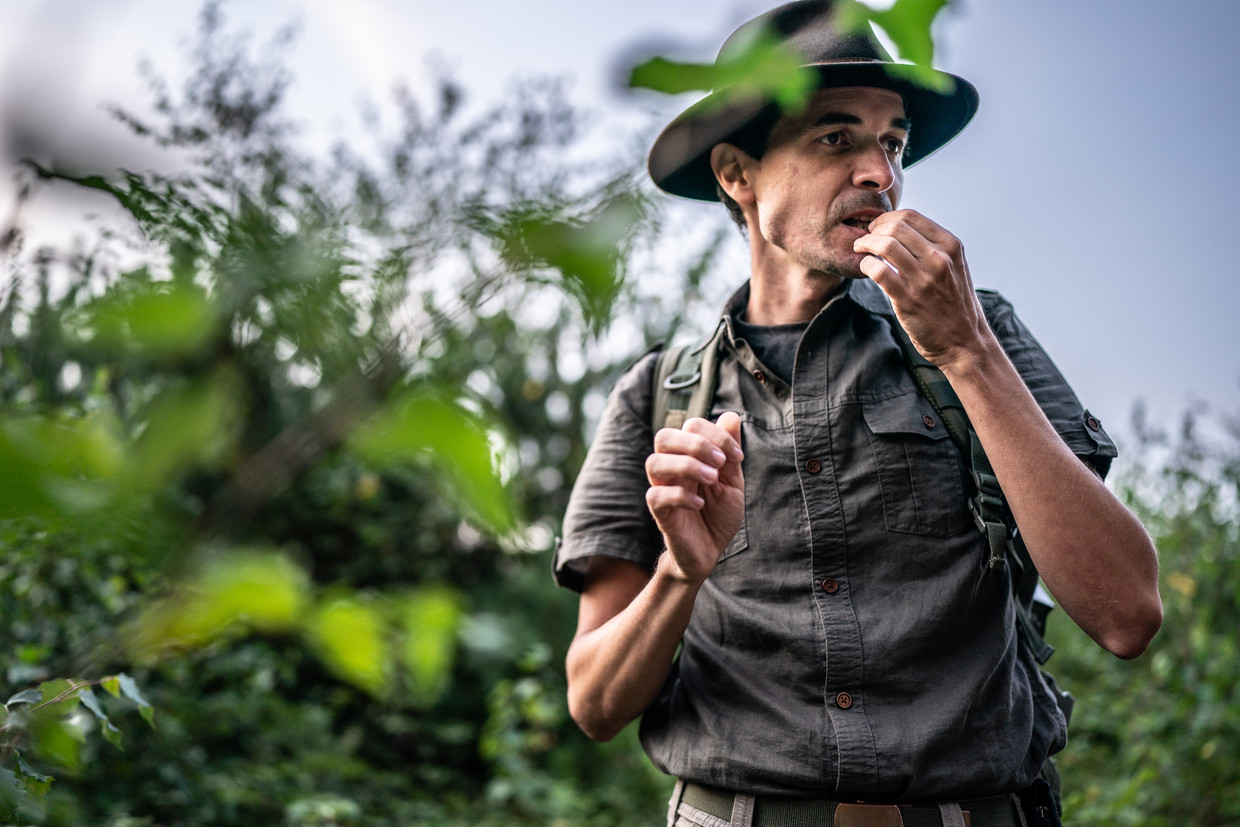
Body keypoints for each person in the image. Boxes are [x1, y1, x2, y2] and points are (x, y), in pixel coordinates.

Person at [554, 2, 1163, 825]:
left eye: (893, 143)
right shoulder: (655, 397)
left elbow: (1127, 613)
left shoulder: (981, 334)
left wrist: (967, 352)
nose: (880, 172)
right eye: (836, 138)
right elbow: (594, 703)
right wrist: (680, 573)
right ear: (737, 174)